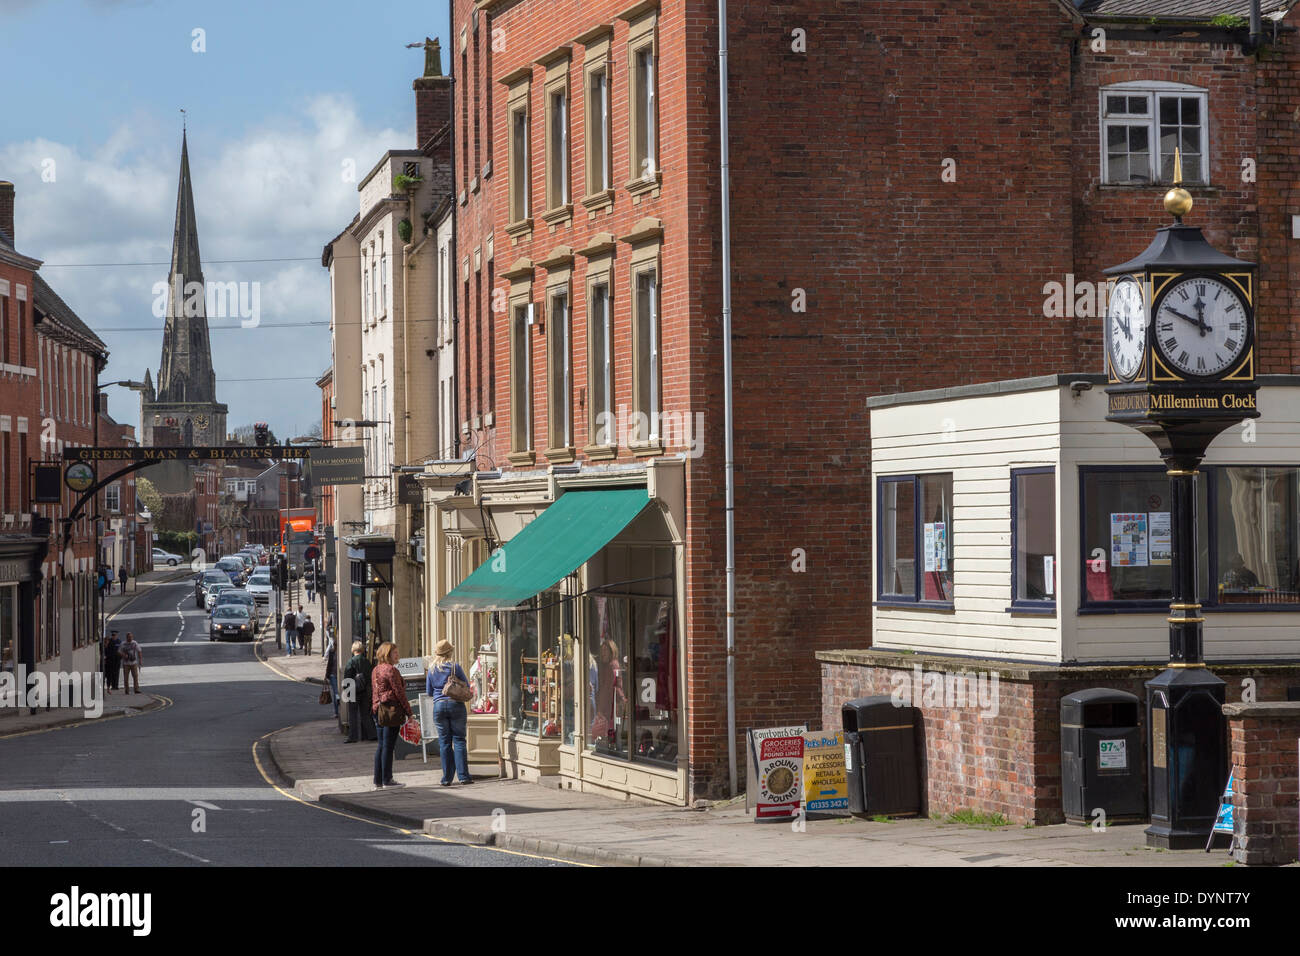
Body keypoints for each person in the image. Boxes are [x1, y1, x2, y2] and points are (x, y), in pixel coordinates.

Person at [427, 640, 473, 786]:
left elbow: (429, 691)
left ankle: (446, 778)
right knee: (459, 740)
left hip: (439, 707)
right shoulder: (455, 667)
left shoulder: (432, 669)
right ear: (449, 652)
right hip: (456, 705)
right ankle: (463, 776)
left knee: (444, 742)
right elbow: (466, 684)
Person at [370, 642, 411, 790]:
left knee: (381, 746)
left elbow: (375, 692)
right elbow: (399, 693)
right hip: (390, 711)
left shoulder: (375, 669)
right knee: (388, 746)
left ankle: (378, 780)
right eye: (395, 653)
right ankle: (387, 779)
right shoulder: (391, 670)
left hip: (377, 710)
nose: (397, 655)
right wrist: (409, 712)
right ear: (387, 654)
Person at [344, 641, 376, 743]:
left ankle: (353, 737)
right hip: (365, 691)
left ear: (353, 650)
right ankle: (372, 734)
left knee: (353, 714)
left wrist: (346, 692)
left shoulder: (351, 662)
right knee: (366, 714)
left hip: (353, 691)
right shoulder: (367, 662)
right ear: (362, 650)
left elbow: (347, 679)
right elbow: (371, 677)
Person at [323, 631, 339, 720]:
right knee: (336, 694)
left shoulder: (344, 652)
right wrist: (327, 675)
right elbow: (329, 664)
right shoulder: (332, 652)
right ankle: (337, 712)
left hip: (340, 675)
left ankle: (340, 711)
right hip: (333, 675)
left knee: (341, 694)